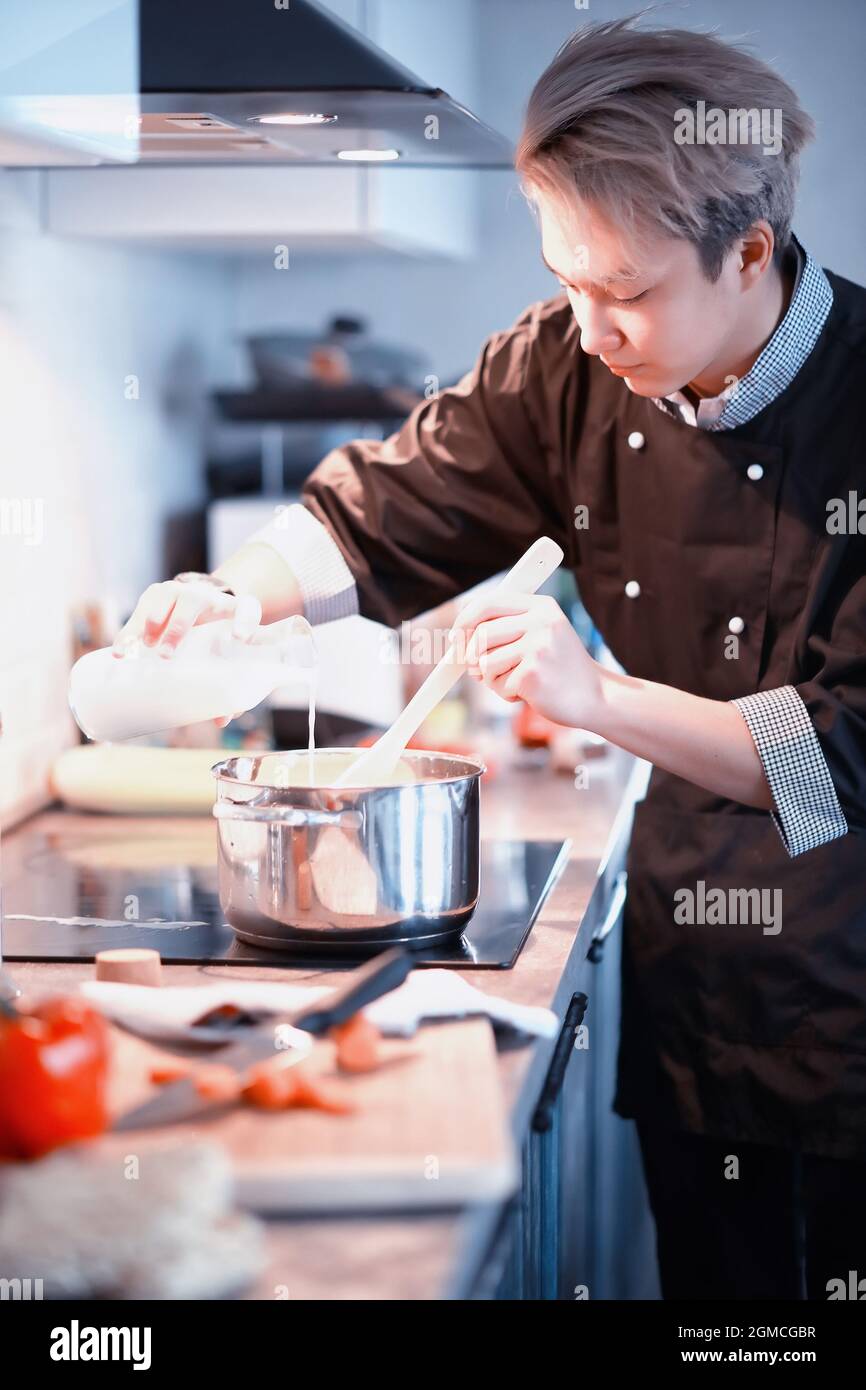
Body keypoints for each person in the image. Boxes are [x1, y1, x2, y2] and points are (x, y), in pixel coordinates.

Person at [116, 18, 866, 1299]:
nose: (586, 327)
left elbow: (836, 763)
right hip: (698, 955)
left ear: (748, 252)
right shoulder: (566, 365)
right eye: (565, 278)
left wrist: (594, 694)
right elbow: (391, 503)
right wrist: (228, 595)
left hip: (850, 977)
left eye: (622, 290)